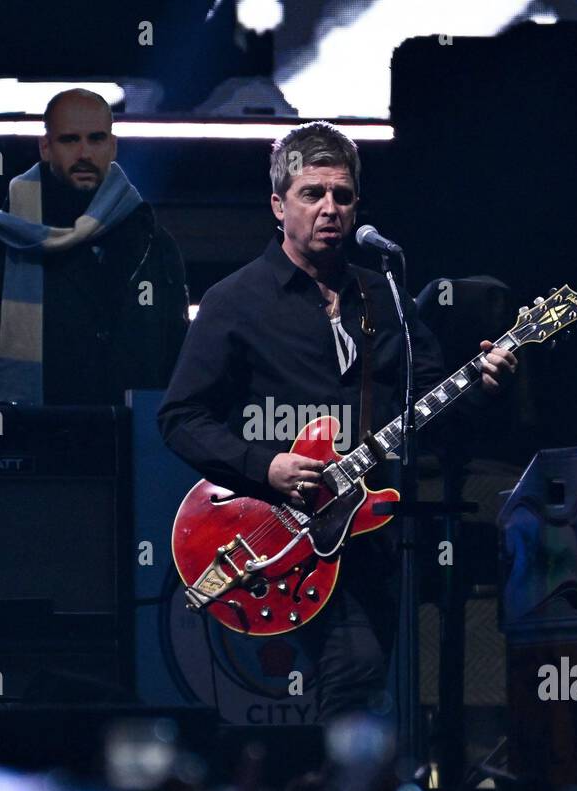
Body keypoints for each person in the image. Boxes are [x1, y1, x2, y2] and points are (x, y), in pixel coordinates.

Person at [157, 121, 516, 721]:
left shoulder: (385, 297)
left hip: (367, 538)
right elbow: (179, 418)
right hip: (268, 531)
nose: (330, 208)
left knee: (359, 686)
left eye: (342, 196)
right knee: (351, 684)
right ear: (278, 205)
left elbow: (425, 409)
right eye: (312, 194)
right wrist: (265, 465)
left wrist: (479, 388)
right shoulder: (234, 301)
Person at [0, 88, 188, 405]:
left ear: (112, 146)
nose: (84, 154)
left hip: (125, 442)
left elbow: (177, 357)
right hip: (32, 440)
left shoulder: (153, 242)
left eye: (96, 139)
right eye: (70, 140)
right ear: (45, 147)